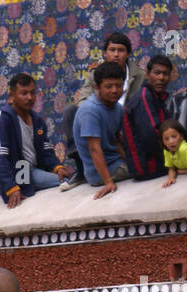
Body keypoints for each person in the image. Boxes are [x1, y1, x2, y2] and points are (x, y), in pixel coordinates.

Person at [61, 31, 146, 186]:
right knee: (70, 111)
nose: (116, 55)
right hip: (100, 123)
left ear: (128, 54)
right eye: (112, 50)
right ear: (105, 53)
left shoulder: (140, 76)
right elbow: (83, 102)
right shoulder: (96, 79)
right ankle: (81, 168)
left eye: (120, 51)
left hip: (126, 124)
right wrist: (95, 115)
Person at [0, 73, 69, 205]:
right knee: (67, 182)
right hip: (20, 174)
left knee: (66, 178)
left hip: (35, 170)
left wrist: (57, 167)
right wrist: (10, 187)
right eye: (24, 93)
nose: (30, 97)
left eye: (32, 93)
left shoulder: (36, 119)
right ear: (12, 96)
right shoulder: (3, 118)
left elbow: (46, 150)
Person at [72, 61, 130, 198]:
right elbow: (94, 149)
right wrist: (108, 182)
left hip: (117, 163)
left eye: (119, 86)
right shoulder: (90, 110)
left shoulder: (118, 108)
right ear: (97, 87)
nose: (114, 90)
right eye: (108, 86)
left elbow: (117, 139)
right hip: (101, 173)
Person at [120, 55, 174, 181]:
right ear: (148, 75)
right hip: (149, 168)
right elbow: (151, 135)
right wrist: (172, 159)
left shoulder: (157, 97)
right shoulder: (144, 97)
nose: (161, 78)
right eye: (157, 73)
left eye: (165, 74)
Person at [160, 119, 187, 186]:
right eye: (166, 139)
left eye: (174, 136)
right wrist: (170, 179)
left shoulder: (184, 149)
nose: (171, 141)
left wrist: (178, 171)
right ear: (162, 141)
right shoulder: (167, 151)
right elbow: (171, 168)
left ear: (181, 136)